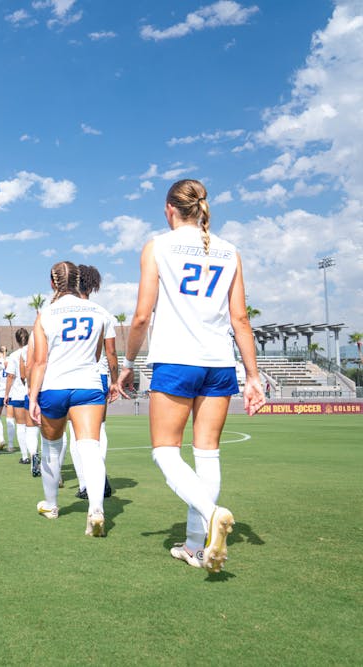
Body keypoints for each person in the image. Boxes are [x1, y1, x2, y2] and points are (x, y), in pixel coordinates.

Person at [116, 179, 264, 571]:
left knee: (165, 451)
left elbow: (142, 315)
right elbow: (240, 319)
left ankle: (211, 513)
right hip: (219, 362)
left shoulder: (157, 246)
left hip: (176, 359)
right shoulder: (230, 250)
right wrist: (253, 376)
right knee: (207, 452)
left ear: (169, 209)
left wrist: (127, 364)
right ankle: (197, 547)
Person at [29, 261, 117, 538]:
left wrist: (32, 397)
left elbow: (39, 362)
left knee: (52, 448)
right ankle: (96, 510)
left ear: (53, 283)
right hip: (88, 387)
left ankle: (52, 505)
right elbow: (98, 356)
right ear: (80, 282)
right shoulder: (101, 312)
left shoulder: (46, 314)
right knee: (90, 448)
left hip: (54, 387)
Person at [69, 265, 116, 499]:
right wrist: (116, 381)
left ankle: (85, 484)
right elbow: (111, 353)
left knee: (75, 432)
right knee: (100, 428)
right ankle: (99, 474)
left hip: (72, 375)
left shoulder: (59, 310)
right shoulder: (103, 313)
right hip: (100, 376)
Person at [5, 327, 39, 466]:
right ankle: (34, 452)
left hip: (19, 393)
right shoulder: (36, 351)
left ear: (17, 340)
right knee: (34, 426)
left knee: (21, 426)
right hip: (35, 392)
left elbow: (11, 376)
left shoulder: (14, 355)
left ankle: (26, 456)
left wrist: (6, 394)